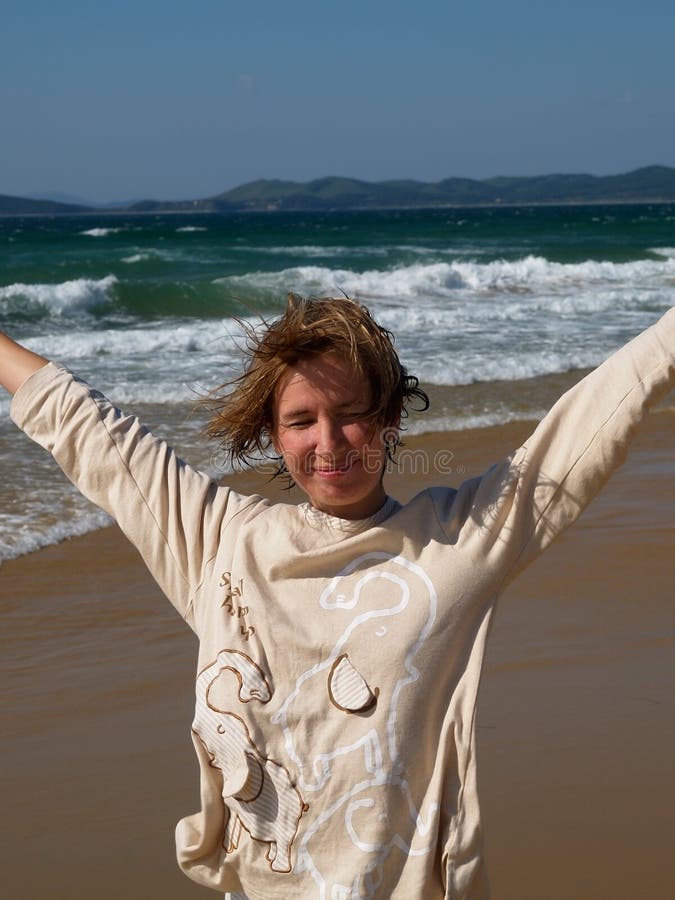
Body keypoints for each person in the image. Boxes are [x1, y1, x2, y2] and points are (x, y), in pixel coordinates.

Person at [1, 294, 674, 900]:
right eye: (300, 420)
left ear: (387, 420)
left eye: (351, 415)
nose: (329, 444)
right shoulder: (218, 543)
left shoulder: (457, 538)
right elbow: (89, 429)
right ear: (270, 431)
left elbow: (595, 413)